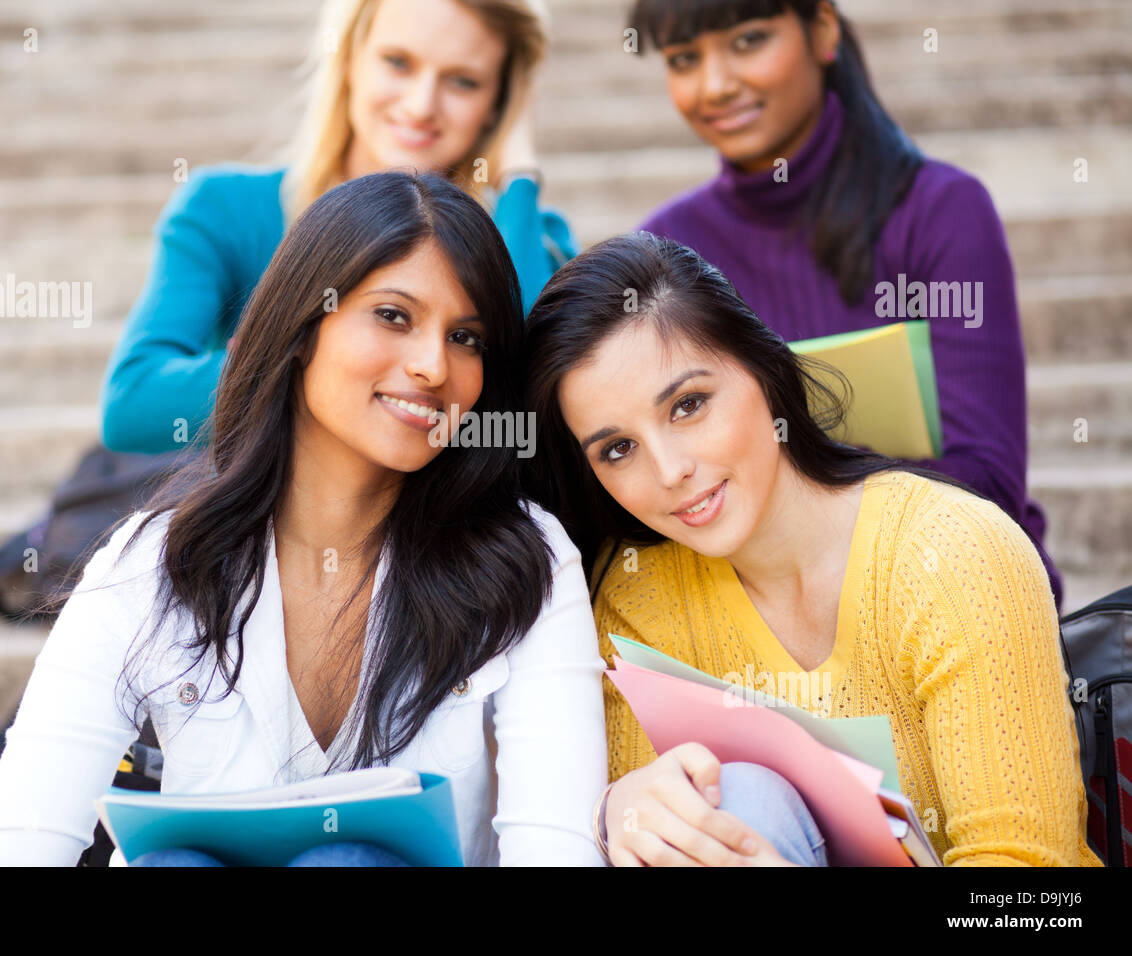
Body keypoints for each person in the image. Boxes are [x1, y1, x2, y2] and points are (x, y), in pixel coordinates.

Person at [0, 172, 607, 867]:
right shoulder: (154, 561)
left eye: (467, 338)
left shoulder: (527, 561)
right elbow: (17, 846)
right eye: (393, 315)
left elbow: (557, 852)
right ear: (302, 327)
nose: (431, 366)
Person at [523, 230, 1101, 867]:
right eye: (617, 449)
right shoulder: (635, 605)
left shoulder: (954, 555)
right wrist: (617, 811)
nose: (668, 471)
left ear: (765, 372)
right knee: (724, 804)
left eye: (688, 405)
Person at [625, 0, 1063, 608]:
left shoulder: (942, 212)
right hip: (765, 611)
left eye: (749, 40)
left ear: (822, 28)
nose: (716, 84)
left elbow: (987, 484)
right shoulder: (666, 250)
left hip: (949, 592)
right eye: (683, 59)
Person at [100, 0, 575, 455]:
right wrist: (330, 362)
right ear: (349, 59)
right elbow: (134, 404)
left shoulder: (533, 235)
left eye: (464, 81)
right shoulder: (228, 208)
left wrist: (519, 179)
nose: (421, 105)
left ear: (499, 103)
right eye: (397, 62)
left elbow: (531, 412)